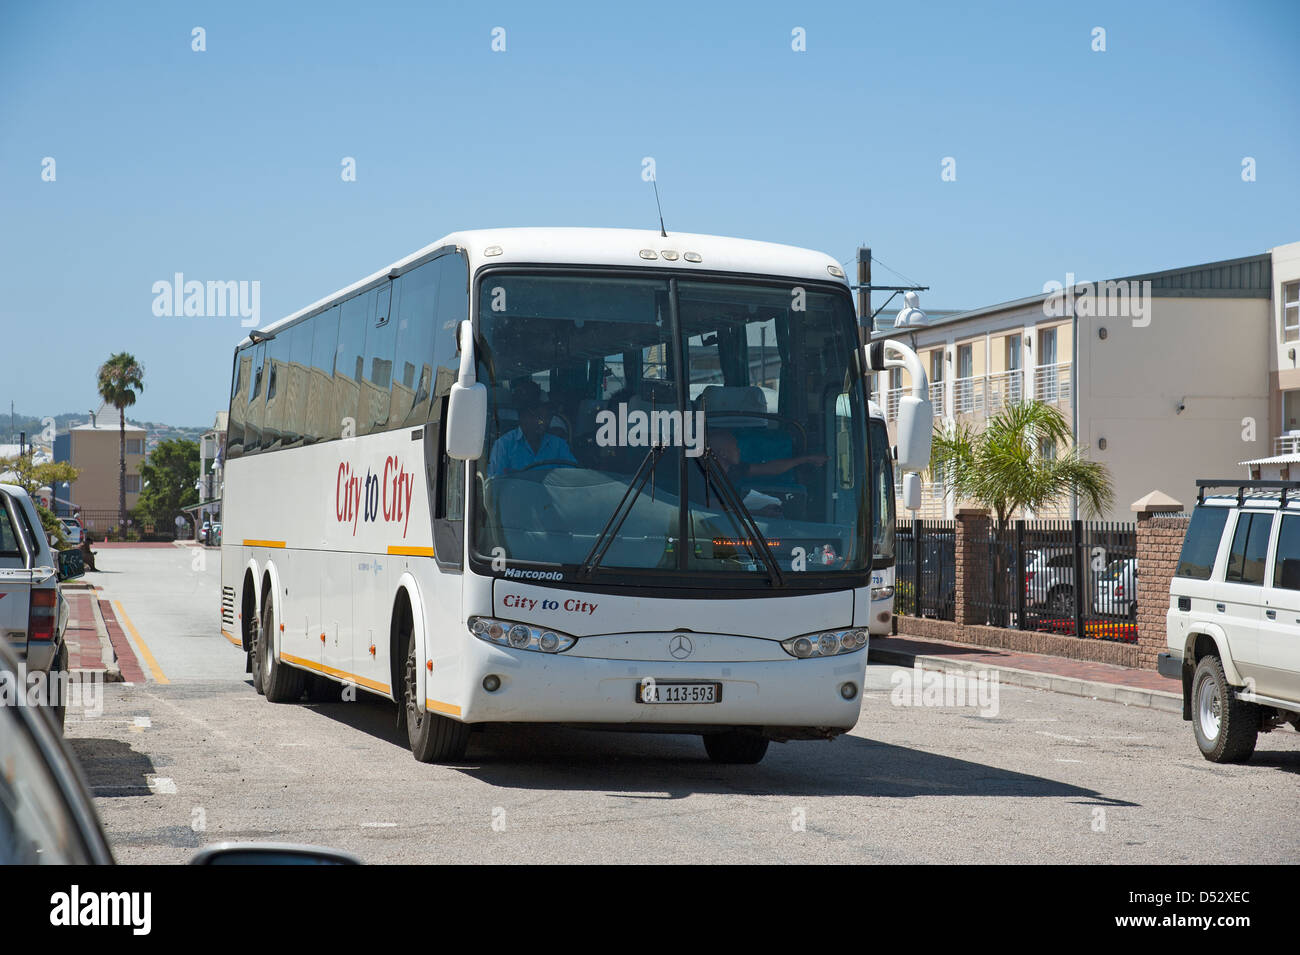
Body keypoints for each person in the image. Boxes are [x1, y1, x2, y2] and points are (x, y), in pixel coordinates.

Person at [488, 380, 577, 477]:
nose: (544, 422)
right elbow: (495, 484)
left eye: (547, 418)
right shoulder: (504, 445)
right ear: (523, 418)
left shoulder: (559, 445)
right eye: (538, 417)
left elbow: (572, 478)